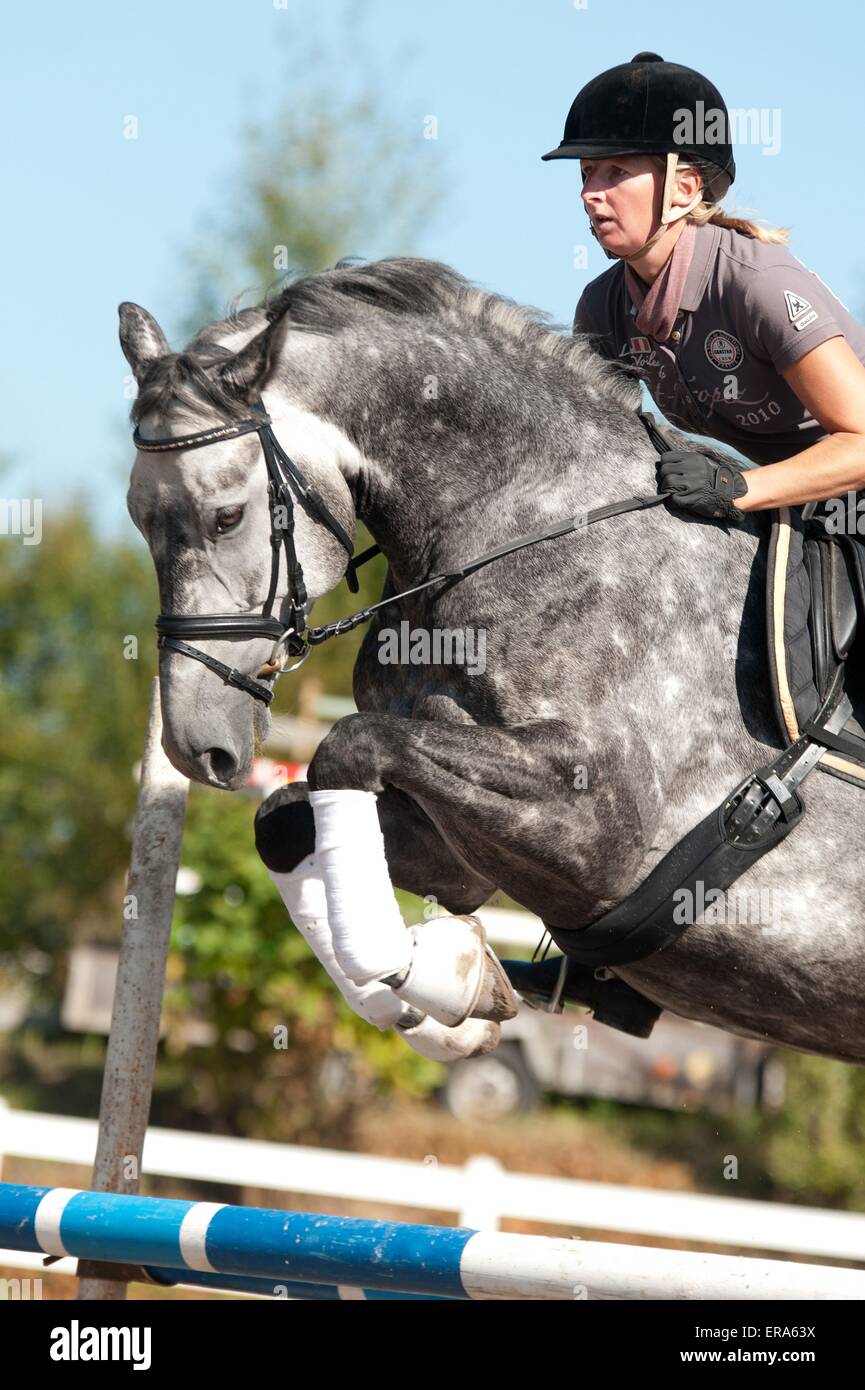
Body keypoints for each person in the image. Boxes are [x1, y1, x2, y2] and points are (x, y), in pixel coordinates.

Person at [541, 52, 865, 527]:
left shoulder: (758, 284)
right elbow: (594, 443)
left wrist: (737, 488)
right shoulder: (600, 309)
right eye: (587, 172)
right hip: (795, 513)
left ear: (684, 188)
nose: (590, 193)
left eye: (616, 172)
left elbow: (861, 444)